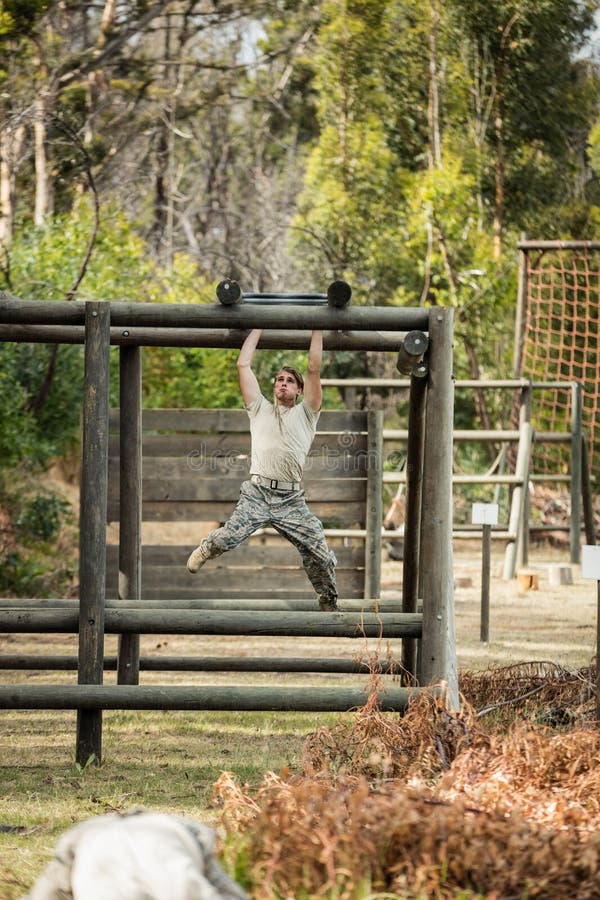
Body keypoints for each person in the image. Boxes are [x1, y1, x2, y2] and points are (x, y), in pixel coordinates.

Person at [186, 329, 338, 611]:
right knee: (229, 536)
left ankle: (328, 599)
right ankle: (207, 547)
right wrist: (259, 325)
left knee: (319, 550)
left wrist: (317, 326)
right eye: (279, 379)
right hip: (257, 493)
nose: (283, 384)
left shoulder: (307, 413)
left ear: (299, 390)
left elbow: (314, 367)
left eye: (290, 381)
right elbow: (243, 365)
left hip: (290, 500)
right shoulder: (259, 409)